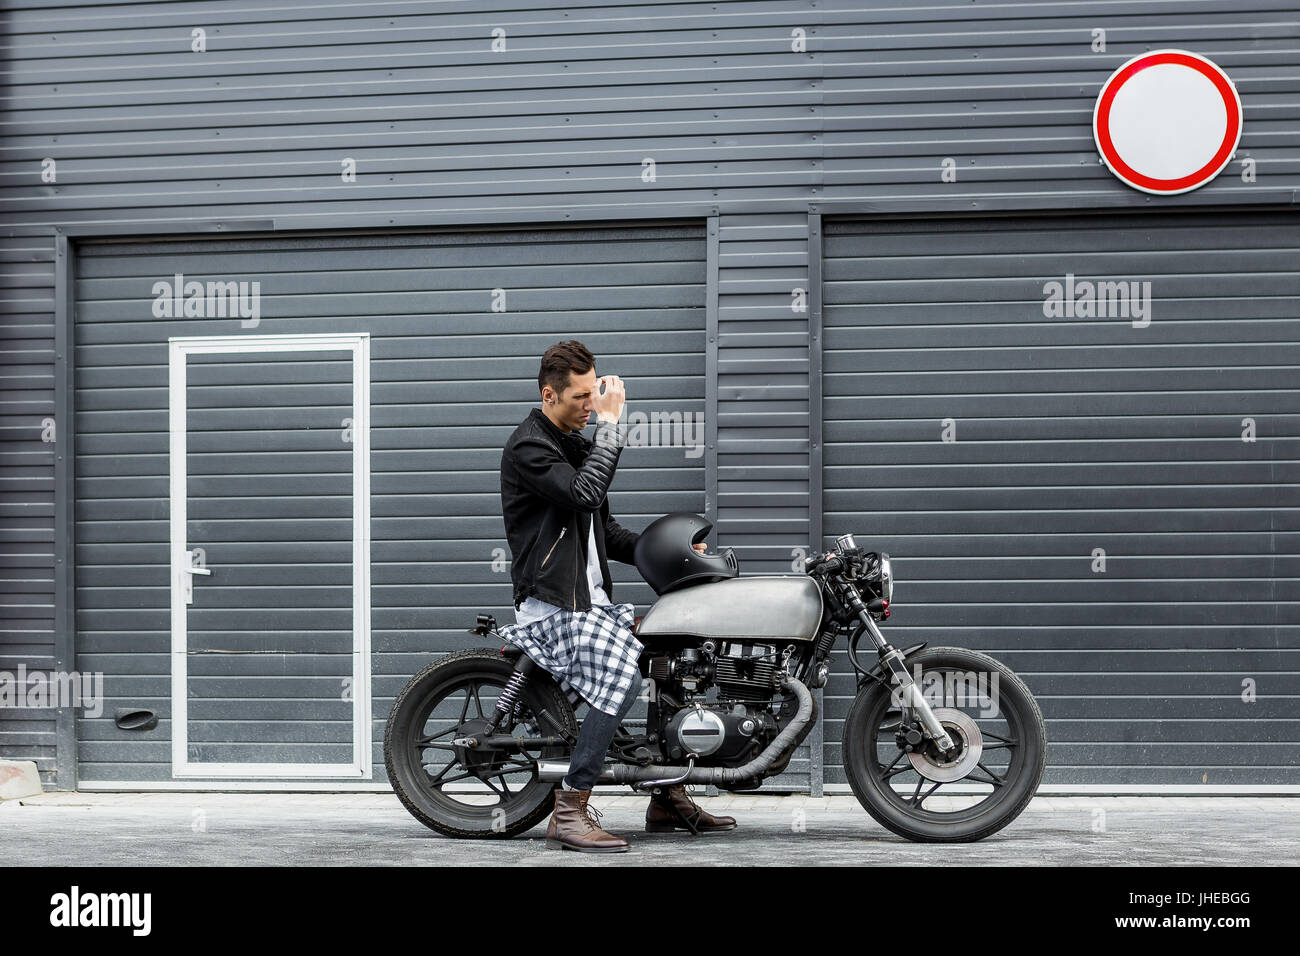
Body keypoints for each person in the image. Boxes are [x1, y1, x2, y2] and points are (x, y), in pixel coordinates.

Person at [497, 340, 737, 852]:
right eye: (581, 396)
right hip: (554, 607)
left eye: (595, 394)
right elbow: (584, 493)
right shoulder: (529, 448)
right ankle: (570, 807)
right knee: (622, 677)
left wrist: (676, 552)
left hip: (591, 603)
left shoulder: (574, 448)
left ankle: (666, 792)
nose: (591, 404)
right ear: (549, 394)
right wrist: (610, 426)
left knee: (669, 657)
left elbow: (605, 532)